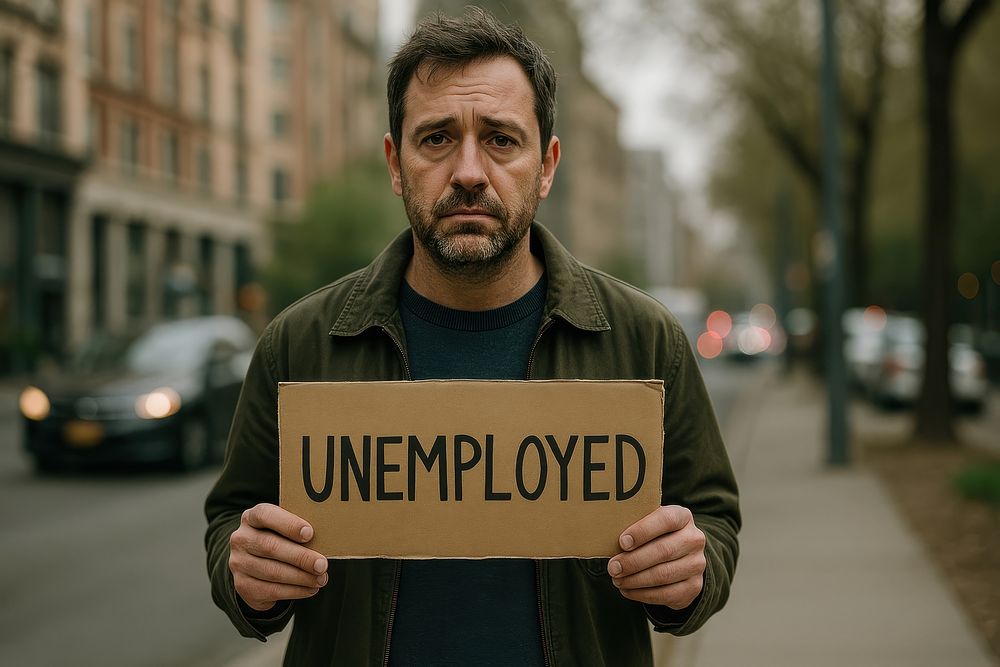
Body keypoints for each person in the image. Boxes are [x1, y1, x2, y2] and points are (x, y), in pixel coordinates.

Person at [205, 8, 739, 665]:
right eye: (435, 139)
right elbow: (231, 524)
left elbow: (712, 521)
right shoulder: (300, 344)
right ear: (395, 163)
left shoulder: (644, 337)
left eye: (500, 140)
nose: (467, 171)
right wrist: (249, 577)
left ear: (546, 165)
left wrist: (690, 572)